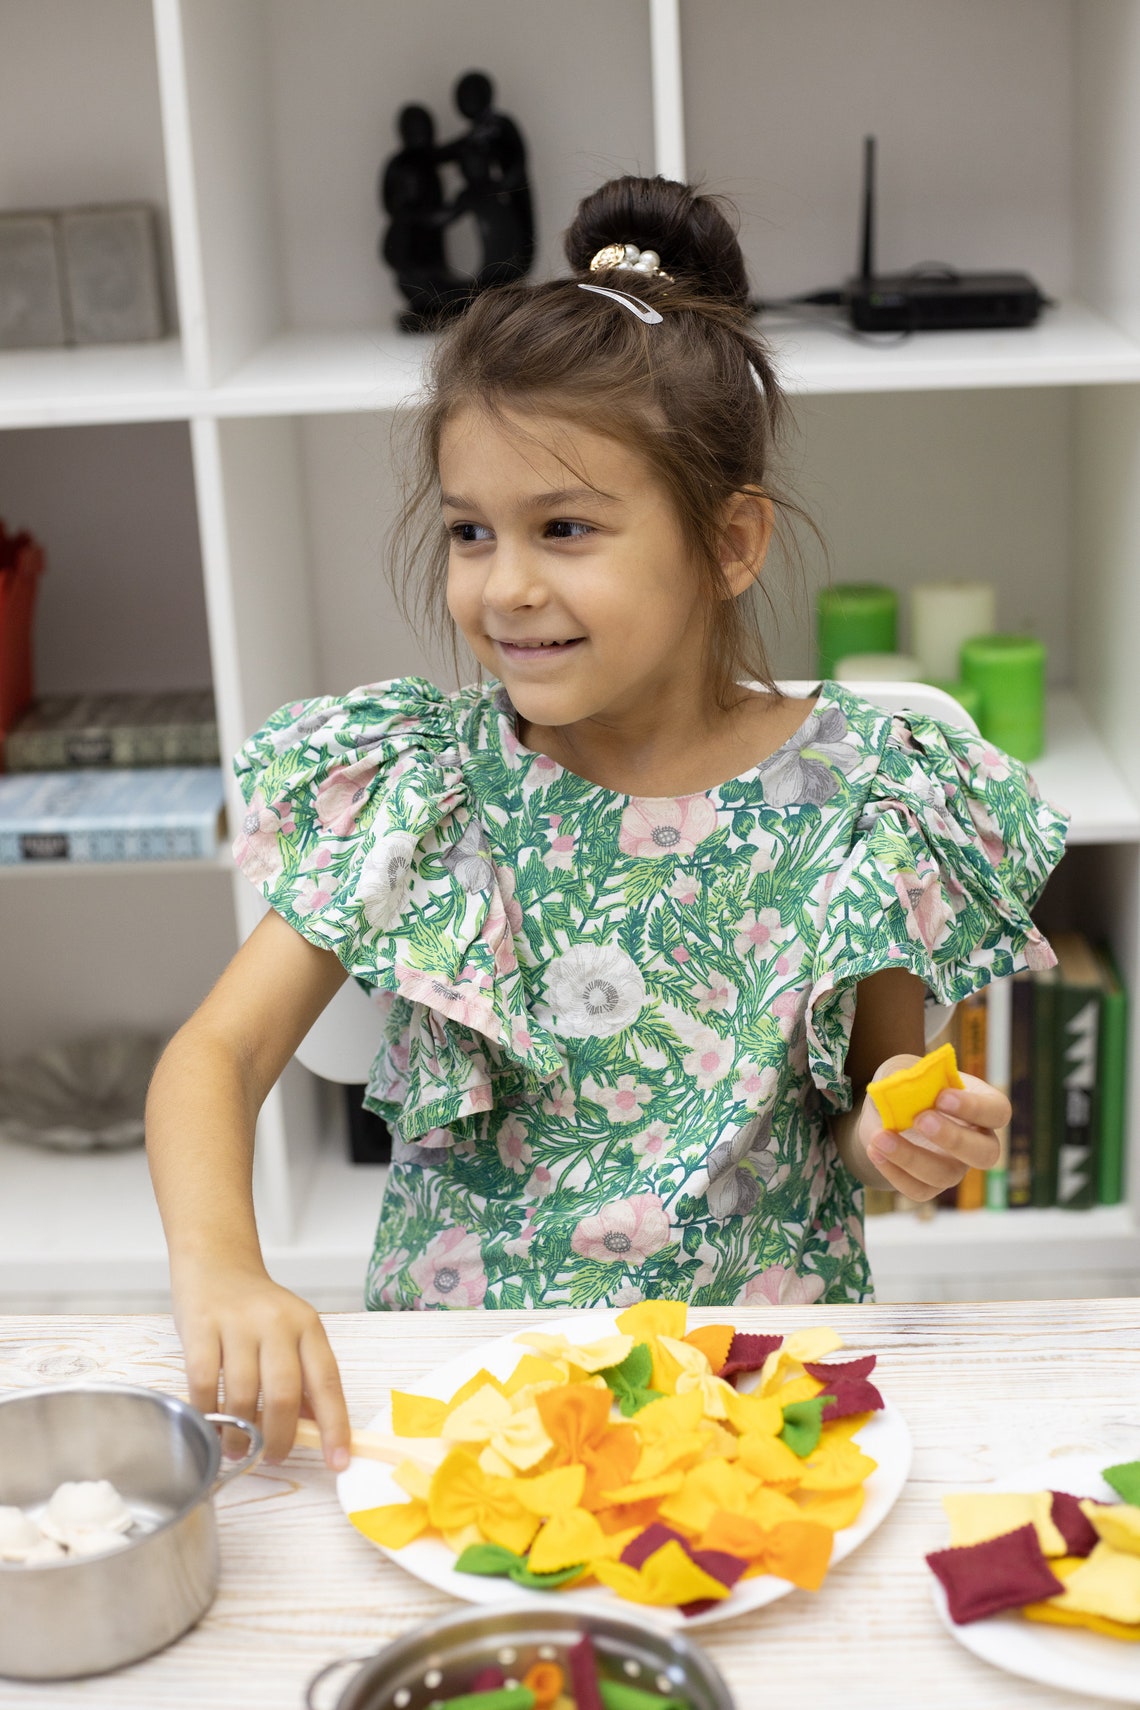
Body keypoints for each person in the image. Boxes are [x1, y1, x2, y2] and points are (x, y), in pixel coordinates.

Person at [146, 175, 1068, 1472]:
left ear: (729, 539)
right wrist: (225, 1270)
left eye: (565, 529)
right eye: (473, 530)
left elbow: (864, 1125)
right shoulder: (430, 784)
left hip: (754, 1414)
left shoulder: (866, 795)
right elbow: (212, 1062)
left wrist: (905, 1142)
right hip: (475, 1412)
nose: (506, 584)